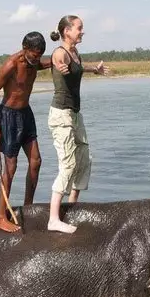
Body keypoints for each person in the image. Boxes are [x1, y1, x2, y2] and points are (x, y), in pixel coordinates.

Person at [0, 31, 67, 233]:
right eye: (33, 55)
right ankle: (0, 216)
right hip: (8, 117)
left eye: (39, 55)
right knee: (11, 168)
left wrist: (59, 58)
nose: (36, 59)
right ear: (24, 49)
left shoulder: (34, 63)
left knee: (36, 161)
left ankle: (28, 205)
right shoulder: (11, 64)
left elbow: (43, 64)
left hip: (26, 114)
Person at [47, 15, 109, 233]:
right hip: (61, 115)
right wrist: (59, 65)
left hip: (75, 115)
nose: (83, 32)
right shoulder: (60, 52)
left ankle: (71, 207)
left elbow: (77, 68)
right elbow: (57, 60)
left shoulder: (75, 53)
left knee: (84, 158)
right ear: (67, 31)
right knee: (67, 164)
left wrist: (95, 69)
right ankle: (53, 219)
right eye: (79, 28)